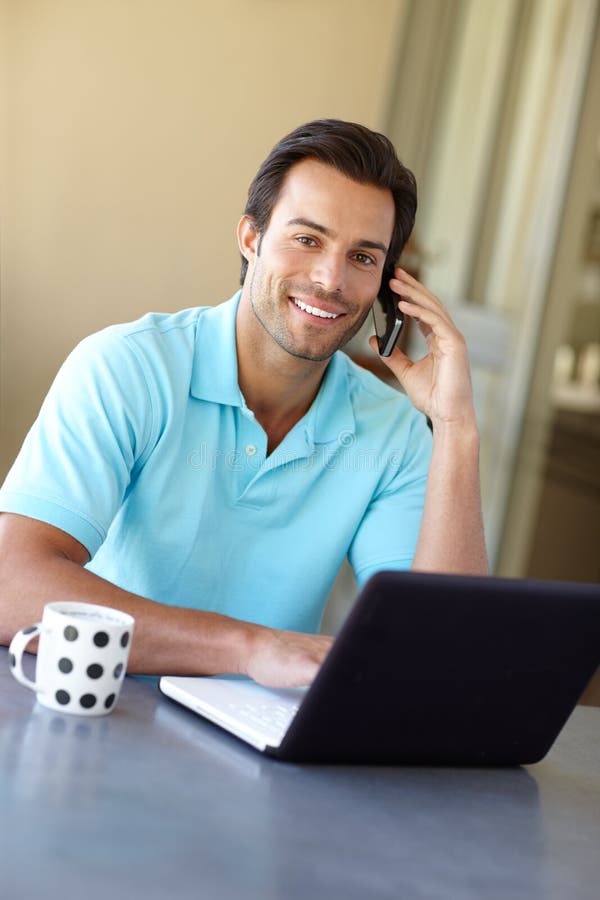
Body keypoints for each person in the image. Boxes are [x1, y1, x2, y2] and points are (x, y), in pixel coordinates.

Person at [0, 119, 488, 686]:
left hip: (262, 750)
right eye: (308, 239)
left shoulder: (393, 431)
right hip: (99, 714)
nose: (330, 278)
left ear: (388, 283)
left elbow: (443, 649)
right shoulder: (128, 368)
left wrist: (455, 425)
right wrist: (248, 648)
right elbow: (11, 582)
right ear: (251, 239)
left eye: (362, 257)